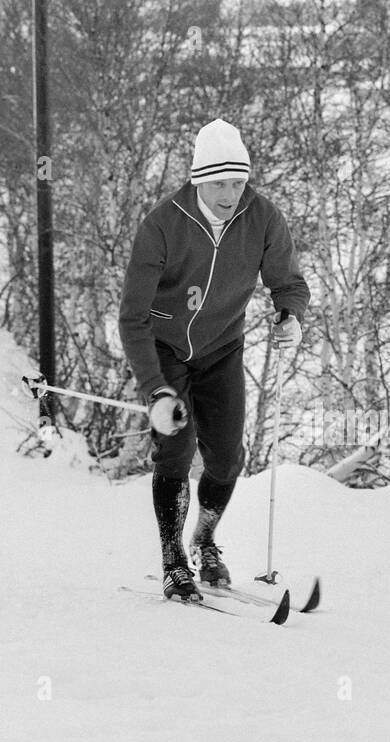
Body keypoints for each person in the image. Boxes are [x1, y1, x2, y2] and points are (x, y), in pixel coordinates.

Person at [119, 119, 310, 602]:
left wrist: (291, 315)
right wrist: (156, 390)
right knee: (177, 451)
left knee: (227, 458)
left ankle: (203, 538)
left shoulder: (263, 217)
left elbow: (288, 282)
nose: (230, 194)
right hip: (165, 351)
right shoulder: (162, 225)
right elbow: (132, 318)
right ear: (199, 179)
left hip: (222, 348)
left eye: (238, 182)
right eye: (220, 183)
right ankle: (173, 560)